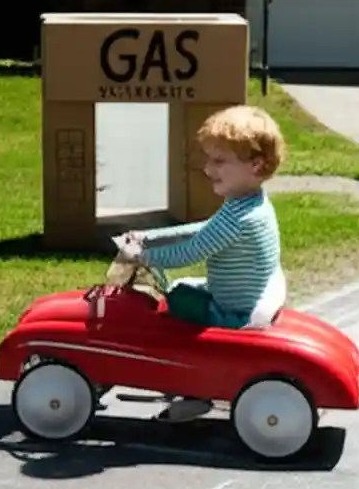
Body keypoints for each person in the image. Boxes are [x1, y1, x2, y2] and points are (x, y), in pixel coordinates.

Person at [119, 104, 289, 422]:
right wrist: (150, 237)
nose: (209, 169)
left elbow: (191, 252)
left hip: (235, 311)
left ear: (256, 164)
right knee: (187, 289)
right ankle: (195, 388)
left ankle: (194, 386)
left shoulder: (241, 218)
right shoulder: (248, 204)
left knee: (175, 298)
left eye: (220, 161)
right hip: (244, 297)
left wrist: (142, 255)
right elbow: (204, 230)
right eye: (210, 159)